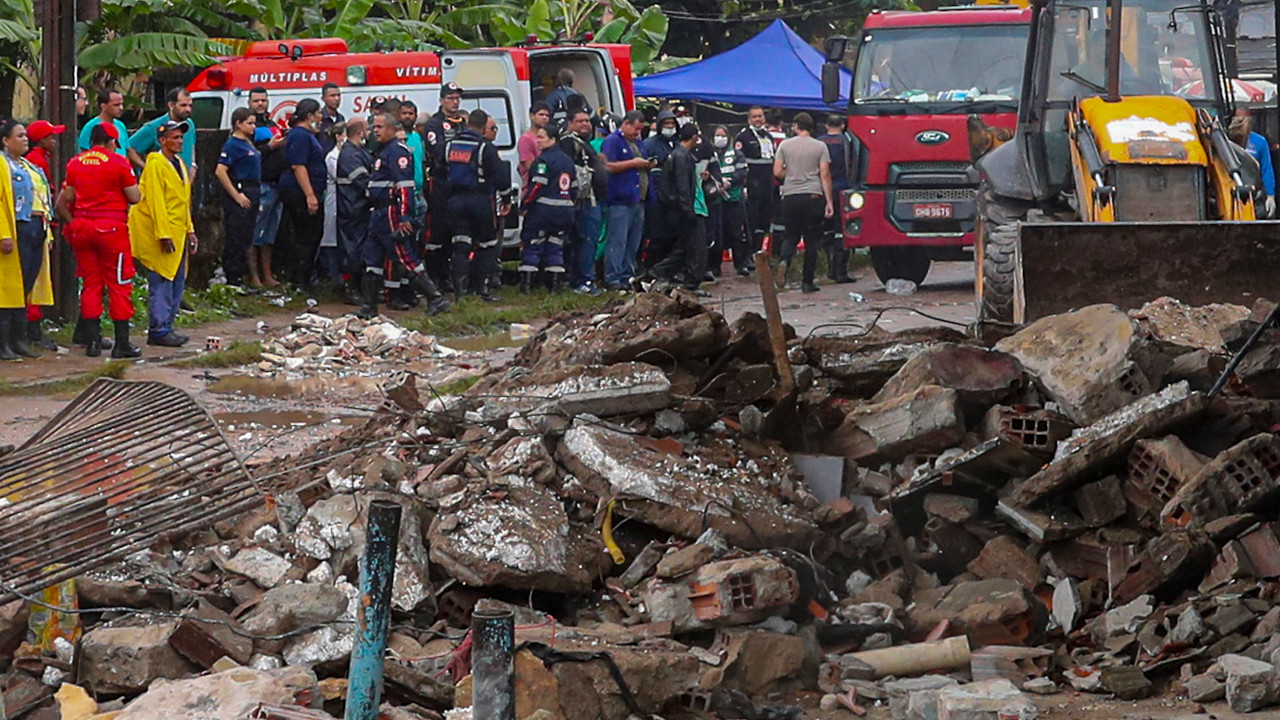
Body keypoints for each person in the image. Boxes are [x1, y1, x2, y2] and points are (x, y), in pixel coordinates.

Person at [57, 123, 143, 357]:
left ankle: (92, 342)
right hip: (111, 230)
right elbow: (134, 197)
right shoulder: (118, 162)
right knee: (119, 284)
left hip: (83, 229)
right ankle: (121, 344)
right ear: (111, 141)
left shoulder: (76, 162)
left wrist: (74, 222)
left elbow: (68, 197)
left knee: (91, 284)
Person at [358, 112, 449, 318]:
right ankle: (369, 307)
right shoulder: (382, 151)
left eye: (380, 127)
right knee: (372, 259)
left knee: (404, 256)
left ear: (391, 128)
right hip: (378, 213)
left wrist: (405, 216)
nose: (376, 130)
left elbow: (405, 187)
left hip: (391, 212)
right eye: (374, 127)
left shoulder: (398, 152)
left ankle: (436, 298)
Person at [129, 119, 197, 347]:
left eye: (181, 137)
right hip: (163, 232)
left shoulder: (178, 163)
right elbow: (156, 201)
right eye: (174, 137)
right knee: (161, 280)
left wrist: (190, 230)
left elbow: (183, 200)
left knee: (176, 281)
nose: (179, 142)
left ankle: (167, 325)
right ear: (162, 140)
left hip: (179, 231)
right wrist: (163, 234)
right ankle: (158, 328)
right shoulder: (155, 163)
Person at [0, 120, 53, 360]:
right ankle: (5, 342)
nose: (25, 139)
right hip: (16, 226)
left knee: (26, 285)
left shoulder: (29, 165)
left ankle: (18, 339)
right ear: (5, 140)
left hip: (35, 226)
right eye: (19, 135)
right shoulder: (3, 165)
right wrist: (4, 234)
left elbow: (43, 199)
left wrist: (47, 231)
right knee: (9, 286)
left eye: (25, 135)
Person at [445, 109, 510, 300]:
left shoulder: (450, 145)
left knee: (460, 245)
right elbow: (501, 177)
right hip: (480, 201)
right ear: (483, 128)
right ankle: (482, 289)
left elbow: (440, 169)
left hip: (455, 201)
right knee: (488, 245)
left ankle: (460, 292)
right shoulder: (485, 147)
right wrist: (506, 200)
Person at [773, 112, 833, 293]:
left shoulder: (784, 145)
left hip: (791, 196)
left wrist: (791, 176)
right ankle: (807, 282)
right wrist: (829, 200)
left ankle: (784, 261)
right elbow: (824, 174)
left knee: (790, 235)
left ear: (796, 126)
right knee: (812, 240)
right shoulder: (820, 146)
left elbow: (777, 172)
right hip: (813, 195)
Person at [650, 123, 708, 294]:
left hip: (686, 207)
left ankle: (659, 271)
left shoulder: (679, 155)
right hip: (690, 209)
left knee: (684, 247)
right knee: (697, 248)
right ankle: (690, 282)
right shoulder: (682, 157)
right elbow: (682, 185)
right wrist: (687, 209)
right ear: (694, 137)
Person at [23, 119, 66, 350]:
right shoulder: (34, 161)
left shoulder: (39, 160)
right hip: (35, 224)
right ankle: (31, 330)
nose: (54, 141)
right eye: (51, 137)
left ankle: (32, 329)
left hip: (41, 224)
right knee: (34, 279)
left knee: (38, 279)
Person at [519, 124, 577, 293]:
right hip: (565, 212)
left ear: (553, 140)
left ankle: (527, 287)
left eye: (542, 137)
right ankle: (554, 287)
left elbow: (537, 185)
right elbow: (573, 189)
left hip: (543, 211)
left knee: (533, 244)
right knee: (555, 246)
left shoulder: (542, 161)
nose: (538, 141)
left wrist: (525, 204)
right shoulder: (568, 161)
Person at [601, 110, 654, 291]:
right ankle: (613, 277)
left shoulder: (638, 142)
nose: (637, 132)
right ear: (626, 123)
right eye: (636, 128)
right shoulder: (612, 141)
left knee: (633, 242)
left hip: (638, 198)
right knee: (618, 240)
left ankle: (628, 276)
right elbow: (607, 166)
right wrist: (633, 163)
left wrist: (647, 164)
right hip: (620, 199)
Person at [278, 98, 327, 288]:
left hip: (307, 191)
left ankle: (303, 277)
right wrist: (310, 195)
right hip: (299, 193)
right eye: (318, 113)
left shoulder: (308, 135)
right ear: (309, 115)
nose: (321, 117)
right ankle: (300, 280)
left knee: (311, 234)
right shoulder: (300, 135)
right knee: (307, 234)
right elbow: (299, 166)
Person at [423, 82, 466, 290]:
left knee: (455, 232)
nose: (454, 102)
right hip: (441, 183)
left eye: (457, 98)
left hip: (460, 185)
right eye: (450, 98)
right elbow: (439, 152)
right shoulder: (434, 124)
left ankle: (448, 276)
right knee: (437, 232)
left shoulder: (462, 123)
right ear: (442, 100)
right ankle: (435, 276)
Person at [215, 107, 262, 288]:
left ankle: (241, 276)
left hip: (254, 189)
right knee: (236, 235)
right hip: (242, 188)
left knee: (246, 236)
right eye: (249, 123)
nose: (253, 127)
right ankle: (232, 277)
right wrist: (236, 194)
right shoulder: (232, 144)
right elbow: (220, 171)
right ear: (238, 124)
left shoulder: (249, 143)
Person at [561, 109, 607, 294]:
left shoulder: (584, 144)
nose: (585, 124)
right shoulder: (568, 142)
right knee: (585, 241)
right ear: (570, 123)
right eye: (580, 121)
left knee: (590, 241)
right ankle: (582, 281)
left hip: (593, 200)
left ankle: (584, 279)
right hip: (583, 202)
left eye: (587, 121)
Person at [336, 116, 374, 304]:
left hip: (359, 208)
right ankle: (351, 289)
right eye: (367, 130)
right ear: (360, 133)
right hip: (352, 208)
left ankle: (360, 288)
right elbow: (362, 181)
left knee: (360, 250)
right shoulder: (350, 155)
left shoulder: (359, 151)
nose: (370, 133)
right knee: (351, 251)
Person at [250, 87, 285, 287]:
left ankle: (268, 275)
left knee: (269, 235)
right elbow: (249, 153)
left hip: (277, 184)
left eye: (263, 100)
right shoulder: (249, 126)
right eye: (256, 101)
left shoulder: (272, 125)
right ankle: (255, 277)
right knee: (256, 233)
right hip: (261, 184)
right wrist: (269, 147)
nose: (260, 104)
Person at [819, 114, 856, 283]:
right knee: (843, 230)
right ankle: (841, 271)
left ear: (826, 125)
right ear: (842, 125)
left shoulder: (819, 142)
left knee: (827, 230)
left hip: (822, 190)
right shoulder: (848, 141)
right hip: (844, 188)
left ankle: (830, 268)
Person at [642, 109, 680, 270]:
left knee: (673, 235)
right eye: (666, 124)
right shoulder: (649, 144)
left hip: (675, 196)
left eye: (672, 123)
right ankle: (652, 267)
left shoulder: (678, 145)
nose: (669, 127)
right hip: (655, 195)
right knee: (656, 235)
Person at [736, 106, 775, 261]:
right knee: (750, 219)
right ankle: (747, 254)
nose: (758, 119)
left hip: (767, 183)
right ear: (749, 119)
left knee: (764, 219)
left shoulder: (768, 136)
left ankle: (758, 251)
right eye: (754, 117)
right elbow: (738, 161)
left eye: (760, 116)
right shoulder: (743, 137)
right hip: (752, 183)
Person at [711, 124, 750, 277]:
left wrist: (730, 181)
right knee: (717, 235)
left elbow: (742, 171)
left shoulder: (736, 154)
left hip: (734, 198)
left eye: (723, 135)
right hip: (716, 199)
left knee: (737, 233)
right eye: (717, 135)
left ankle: (741, 264)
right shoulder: (710, 154)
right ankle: (715, 266)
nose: (720, 138)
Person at [127, 88, 196, 172]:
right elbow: (129, 148)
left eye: (190, 106)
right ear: (171, 105)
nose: (188, 109)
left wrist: (193, 165)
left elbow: (192, 146)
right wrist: (147, 168)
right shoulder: (154, 126)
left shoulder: (190, 124)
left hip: (184, 179)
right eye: (183, 105)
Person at [1230, 109, 1276, 218]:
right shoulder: (1227, 142)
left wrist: (1270, 195)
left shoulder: (1259, 142)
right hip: (1231, 191)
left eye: (1243, 120)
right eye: (1237, 119)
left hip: (1254, 193)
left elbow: (1266, 169)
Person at [78, 89, 129, 155]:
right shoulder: (91, 126)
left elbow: (127, 149)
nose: (121, 108)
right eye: (116, 105)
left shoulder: (121, 125)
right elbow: (84, 152)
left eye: (122, 104)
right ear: (103, 106)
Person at [518, 102, 552, 184]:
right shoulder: (525, 139)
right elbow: (530, 166)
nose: (544, 118)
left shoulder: (550, 137)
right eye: (541, 114)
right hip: (533, 185)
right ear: (532, 116)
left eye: (547, 115)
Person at [317, 82, 345, 155]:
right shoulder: (318, 118)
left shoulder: (340, 118)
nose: (337, 99)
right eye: (332, 96)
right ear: (323, 98)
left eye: (338, 95)